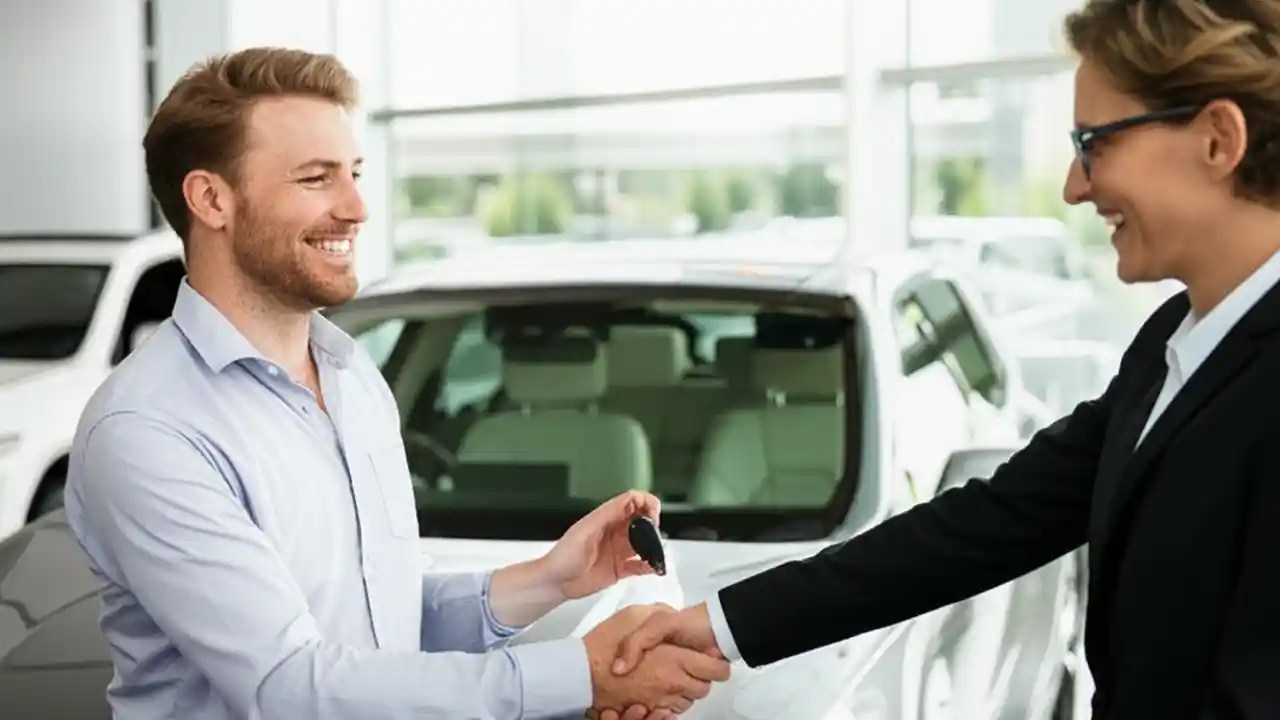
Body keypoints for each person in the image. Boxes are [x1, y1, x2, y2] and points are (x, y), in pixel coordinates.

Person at [610, 1, 1280, 718]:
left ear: (1218, 139)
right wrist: (718, 624)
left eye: (1094, 143)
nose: (1074, 187)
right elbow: (983, 525)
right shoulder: (1171, 346)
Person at [64, 47, 727, 720]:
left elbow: (384, 623)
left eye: (353, 173)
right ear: (211, 199)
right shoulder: (149, 430)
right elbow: (291, 687)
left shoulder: (351, 377)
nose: (356, 208)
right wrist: (580, 675)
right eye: (316, 178)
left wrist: (551, 578)